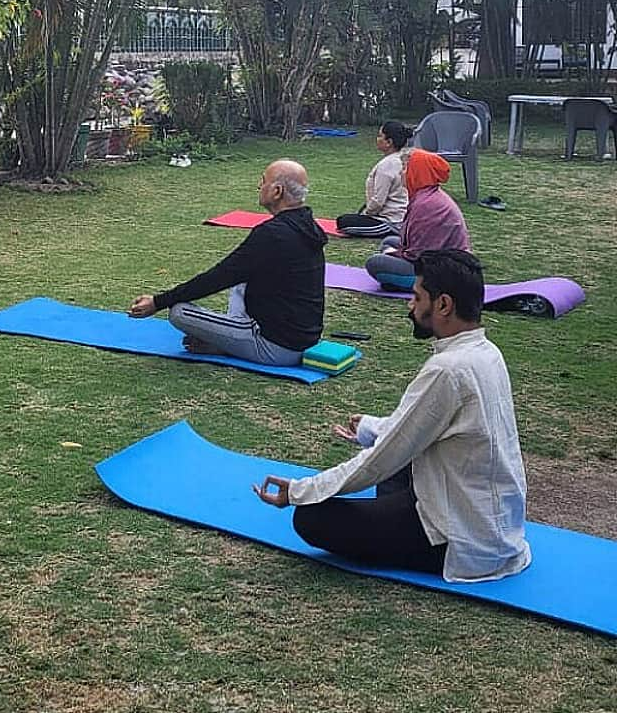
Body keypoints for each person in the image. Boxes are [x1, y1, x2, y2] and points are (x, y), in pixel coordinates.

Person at [253, 250, 531, 583]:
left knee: (311, 517)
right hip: (492, 524)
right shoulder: (485, 352)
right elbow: (419, 427)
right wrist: (370, 427)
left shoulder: (448, 370)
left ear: (443, 305)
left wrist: (301, 490)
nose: (409, 306)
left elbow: (382, 459)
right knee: (393, 458)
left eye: (416, 297)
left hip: (461, 540)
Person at [128, 159, 326, 366]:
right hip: (303, 340)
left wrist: (158, 302)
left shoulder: (273, 234)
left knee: (179, 312)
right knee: (246, 277)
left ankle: (230, 345)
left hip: (275, 347)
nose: (259, 186)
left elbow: (218, 277)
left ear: (277, 191)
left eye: (263, 181)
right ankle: (231, 341)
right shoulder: (306, 225)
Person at [365, 148, 472, 292]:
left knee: (375, 263)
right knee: (389, 241)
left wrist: (393, 254)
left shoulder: (426, 204)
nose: (401, 173)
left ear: (417, 172)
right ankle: (399, 281)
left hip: (445, 270)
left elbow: (420, 255)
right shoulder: (425, 196)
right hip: (442, 261)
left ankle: (426, 285)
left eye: (405, 168)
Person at [335, 121, 411, 238]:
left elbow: (378, 201)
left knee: (343, 222)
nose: (377, 139)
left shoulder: (387, 165)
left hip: (390, 221)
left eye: (380, 136)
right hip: (400, 217)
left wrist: (367, 214)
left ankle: (393, 231)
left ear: (389, 142)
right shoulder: (401, 159)